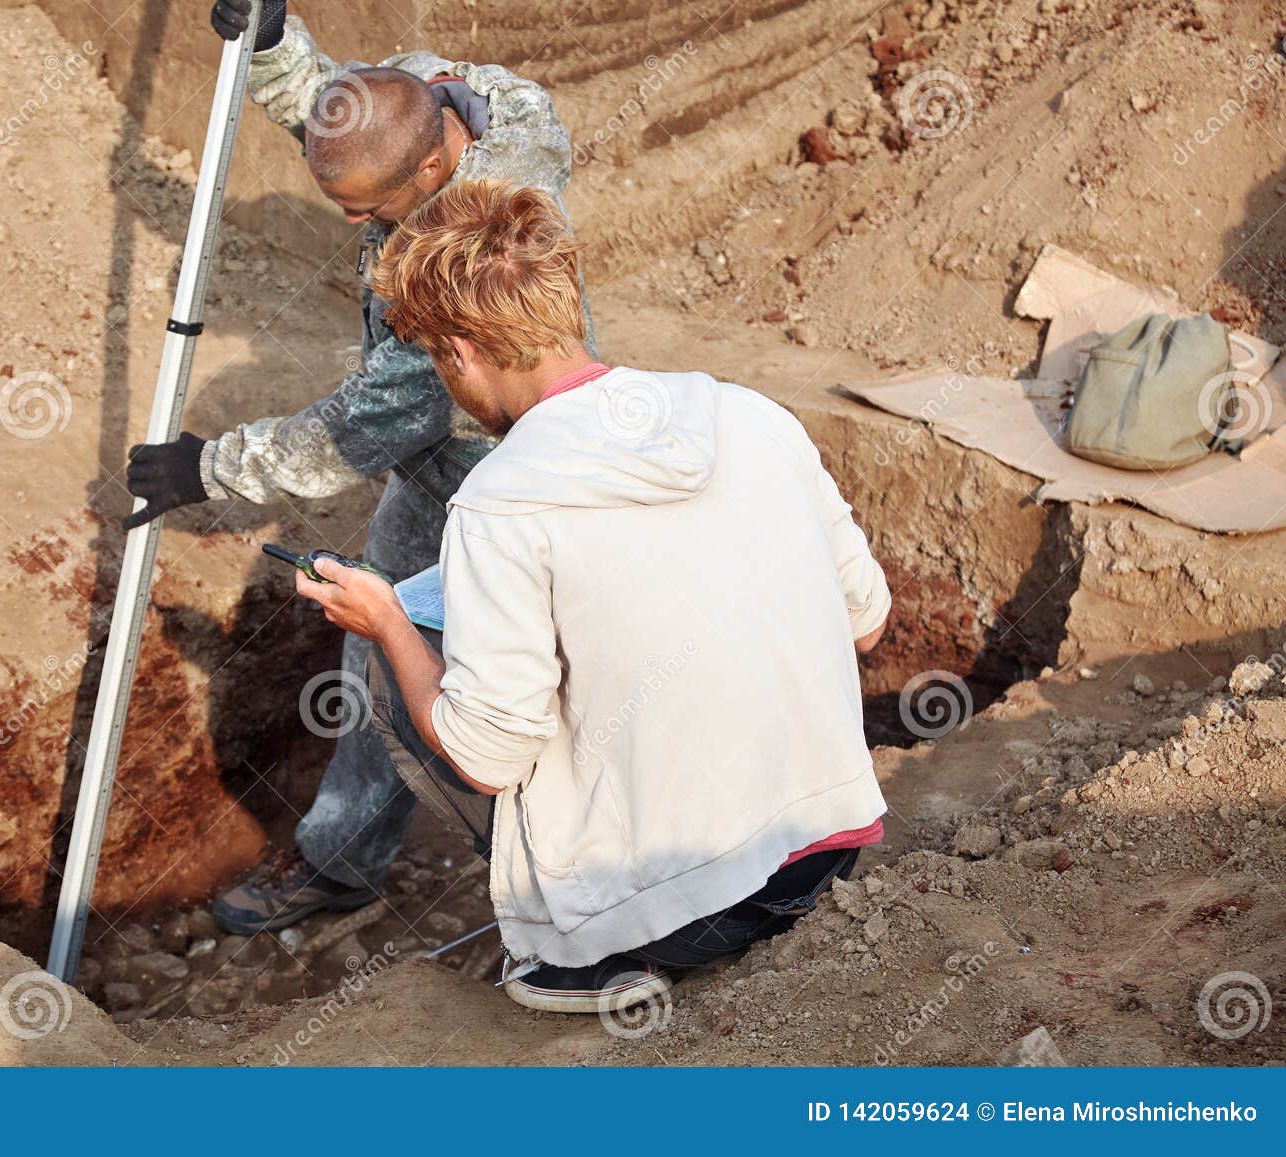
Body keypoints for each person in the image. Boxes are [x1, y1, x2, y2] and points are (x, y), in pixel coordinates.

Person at [292, 180, 892, 1015]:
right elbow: (866, 624)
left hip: (702, 916)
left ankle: (593, 942)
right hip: (828, 857)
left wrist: (387, 620)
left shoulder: (500, 502)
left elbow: (486, 757)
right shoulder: (751, 415)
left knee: (408, 662)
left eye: (437, 360)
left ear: (460, 351)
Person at [123, 0, 592, 934]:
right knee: (376, 645)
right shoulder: (452, 100)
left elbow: (359, 428)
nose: (360, 225)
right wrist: (274, 50)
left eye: (370, 211)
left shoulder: (464, 263)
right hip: (434, 467)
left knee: (521, 672)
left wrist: (210, 469)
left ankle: (562, 874)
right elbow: (345, 113)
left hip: (511, 469)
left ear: (433, 169)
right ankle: (344, 860)